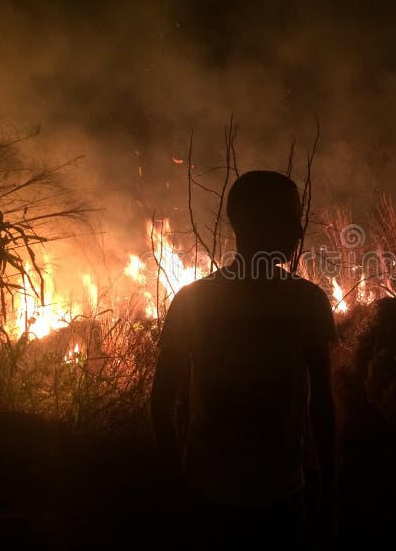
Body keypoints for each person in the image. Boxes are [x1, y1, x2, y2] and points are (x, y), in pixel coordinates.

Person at [151, 170, 338, 547]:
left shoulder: (195, 300)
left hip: (260, 492)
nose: (299, 231)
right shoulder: (305, 301)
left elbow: (323, 401)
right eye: (289, 218)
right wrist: (328, 483)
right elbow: (161, 399)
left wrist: (178, 478)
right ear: (251, 223)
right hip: (227, 495)